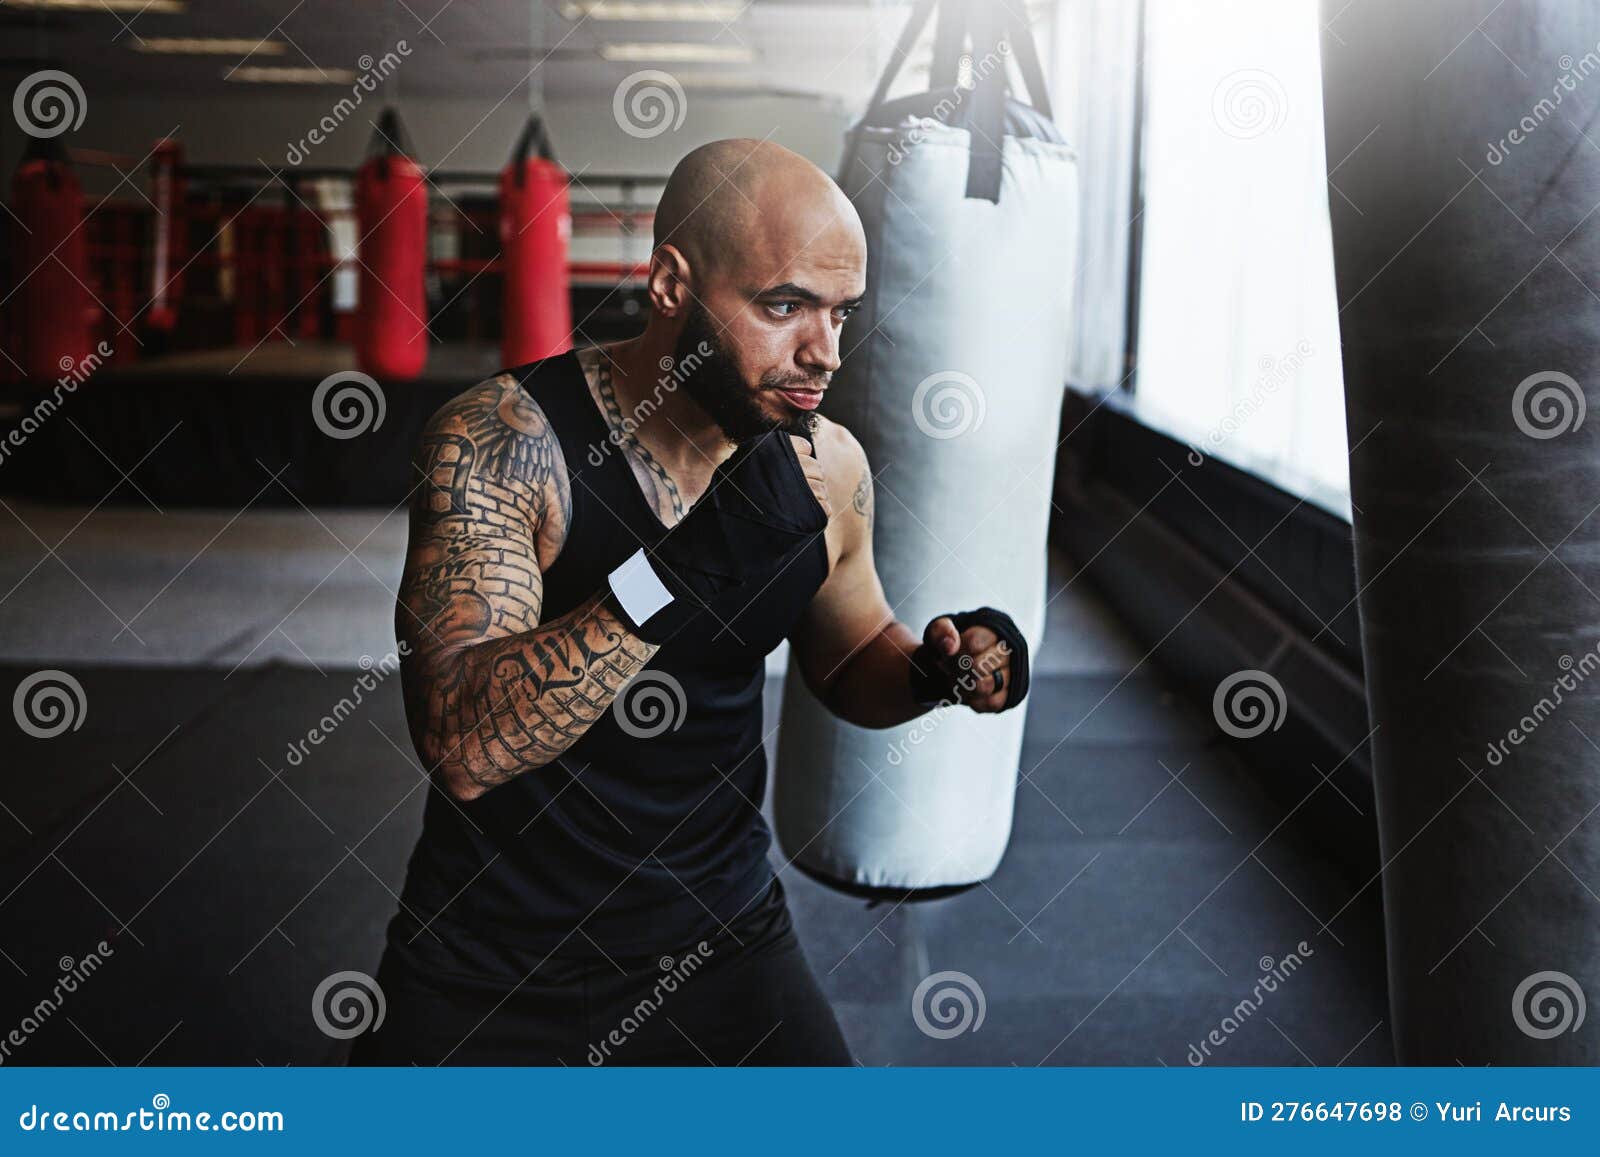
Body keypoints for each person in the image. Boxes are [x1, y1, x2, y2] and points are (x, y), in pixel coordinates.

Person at [349, 138, 1031, 1066]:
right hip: (493, 961)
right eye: (784, 305)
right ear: (672, 283)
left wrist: (933, 671)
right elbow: (463, 745)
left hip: (723, 935)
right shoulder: (504, 443)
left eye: (841, 314)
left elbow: (848, 653)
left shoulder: (825, 467)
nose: (822, 353)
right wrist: (674, 569)